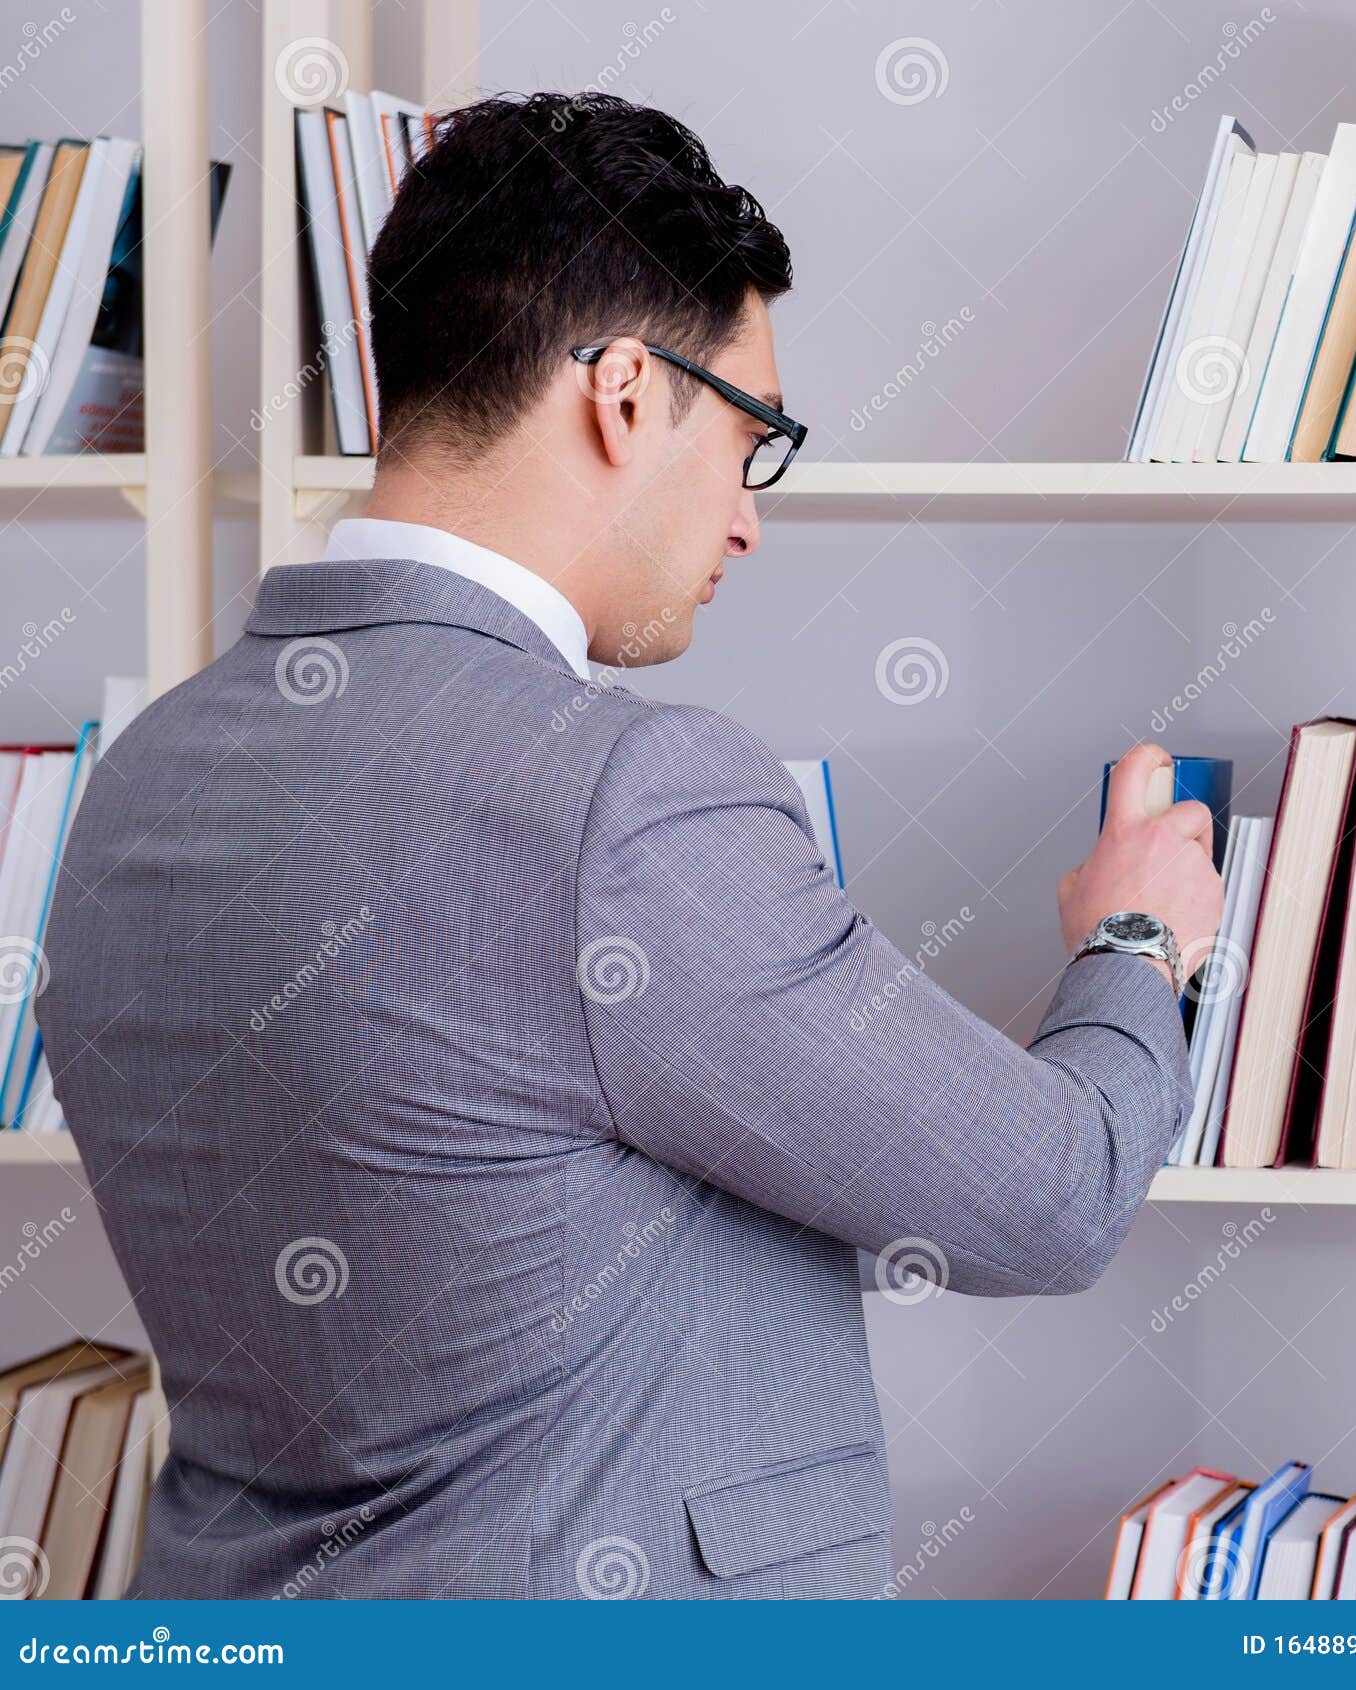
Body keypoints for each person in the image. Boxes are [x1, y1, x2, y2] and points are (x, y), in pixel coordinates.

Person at [36, 92, 1222, 1601]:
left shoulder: (143, 775)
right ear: (619, 391)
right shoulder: (620, 798)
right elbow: (1054, 1196)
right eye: (752, 438)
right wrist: (1134, 942)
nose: (744, 519)